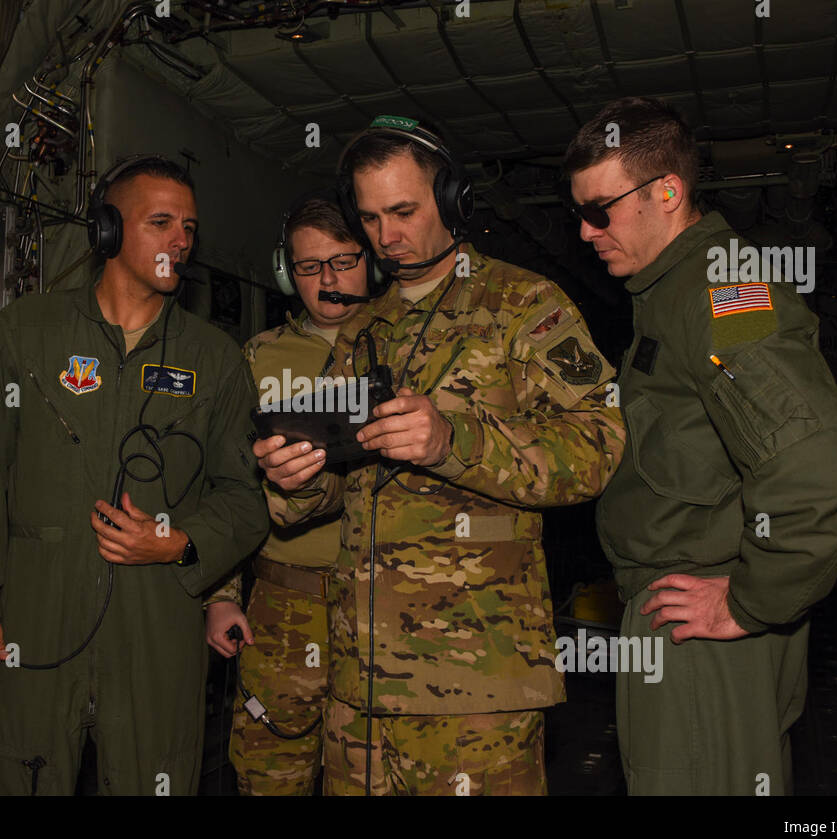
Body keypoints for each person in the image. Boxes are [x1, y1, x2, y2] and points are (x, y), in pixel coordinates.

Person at [253, 116, 626, 795]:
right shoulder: (362, 329)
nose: (387, 237)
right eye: (370, 218)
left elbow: (599, 444)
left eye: (404, 211)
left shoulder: (523, 305)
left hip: (476, 689)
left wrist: (456, 440)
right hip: (358, 689)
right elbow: (340, 485)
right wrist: (299, 480)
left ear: (452, 199)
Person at [563, 96, 837, 795]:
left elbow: (819, 474)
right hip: (679, 615)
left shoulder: (721, 288)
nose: (585, 232)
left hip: (699, 628)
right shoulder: (670, 292)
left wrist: (750, 601)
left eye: (599, 210)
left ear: (667, 192)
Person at [0, 155, 269, 796]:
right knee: (19, 775)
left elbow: (243, 496)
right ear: (108, 232)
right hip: (34, 614)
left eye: (190, 228)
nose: (181, 240)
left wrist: (179, 541)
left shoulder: (217, 358)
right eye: (162, 222)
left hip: (158, 622)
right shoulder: (27, 332)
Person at [206, 192, 371, 795]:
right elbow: (226, 483)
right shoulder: (258, 359)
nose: (328, 280)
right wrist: (222, 595)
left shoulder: (409, 347)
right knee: (269, 772)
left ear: (371, 259)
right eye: (309, 267)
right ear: (287, 274)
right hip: (281, 606)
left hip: (386, 608)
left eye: (344, 261)